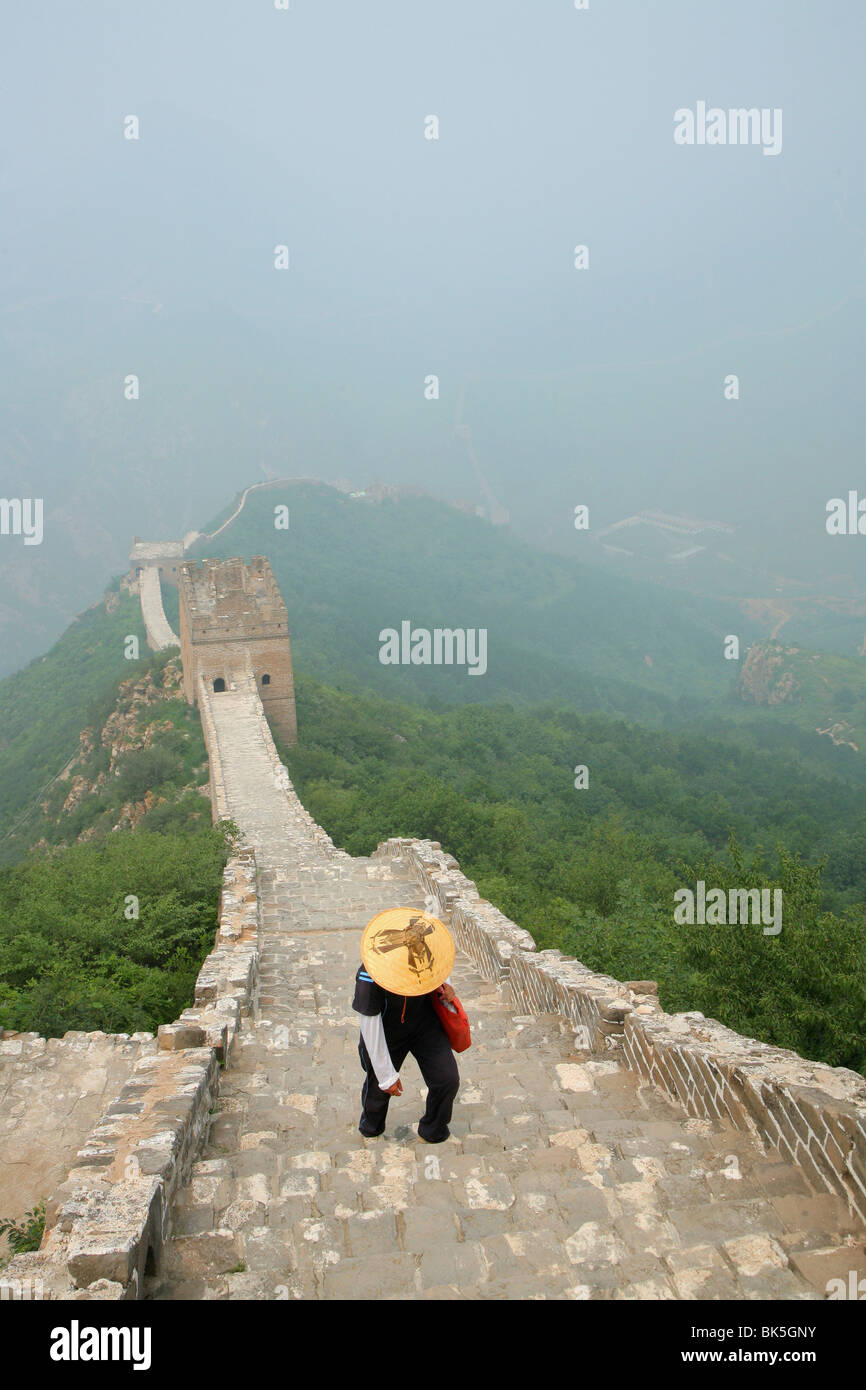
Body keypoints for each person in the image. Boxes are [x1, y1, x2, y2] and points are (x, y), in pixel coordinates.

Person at [352, 908, 460, 1143]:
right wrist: (386, 1075)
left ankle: (434, 1129)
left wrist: (447, 991)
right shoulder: (370, 974)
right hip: (387, 1029)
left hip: (424, 1023)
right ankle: (371, 1126)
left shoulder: (426, 952)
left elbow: (438, 970)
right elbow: (369, 1023)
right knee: (378, 1088)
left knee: (447, 1078)